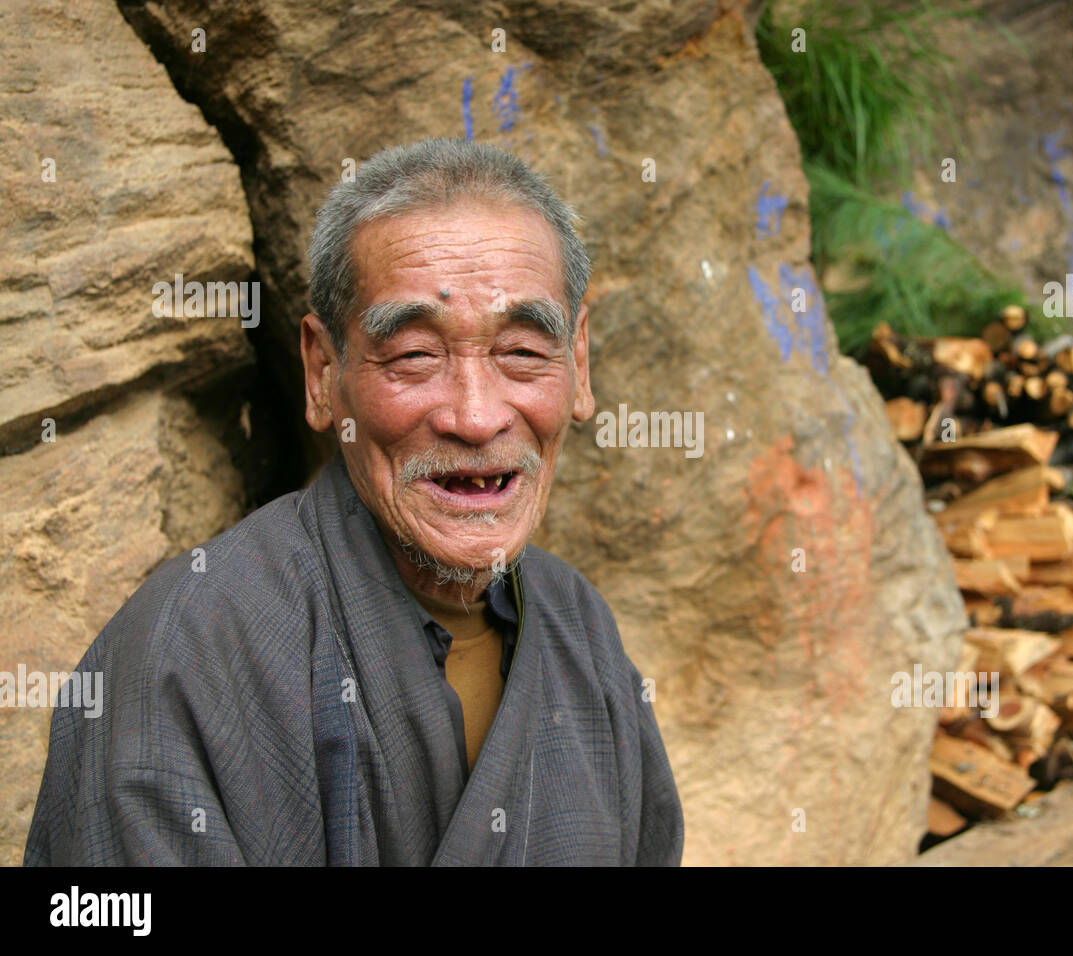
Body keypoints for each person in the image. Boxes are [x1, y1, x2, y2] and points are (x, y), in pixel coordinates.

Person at [25, 138, 684, 866]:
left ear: (579, 365)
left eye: (523, 352)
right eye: (412, 357)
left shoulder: (578, 626)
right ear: (323, 373)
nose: (475, 416)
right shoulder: (188, 647)